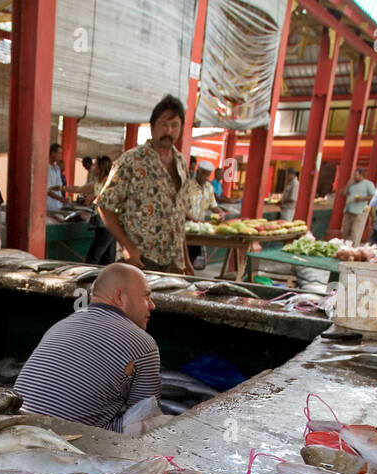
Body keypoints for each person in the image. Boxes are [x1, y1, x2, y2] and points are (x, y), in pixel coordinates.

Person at [13, 263, 160, 432]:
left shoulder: (61, 324)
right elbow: (147, 413)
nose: (152, 305)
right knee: (158, 423)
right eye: (146, 297)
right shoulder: (144, 343)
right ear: (119, 297)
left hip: (16, 429)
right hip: (65, 442)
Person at [96, 94, 191, 273]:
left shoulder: (181, 163)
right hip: (140, 258)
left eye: (174, 125)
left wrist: (185, 259)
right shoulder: (132, 160)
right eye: (163, 124)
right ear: (153, 126)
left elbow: (179, 214)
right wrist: (127, 246)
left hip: (173, 261)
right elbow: (104, 206)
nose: (168, 131)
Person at [184, 160, 221, 270]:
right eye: (203, 174)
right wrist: (194, 220)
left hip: (200, 228)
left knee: (195, 258)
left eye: (207, 175)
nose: (205, 177)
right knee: (185, 256)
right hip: (186, 227)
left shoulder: (209, 187)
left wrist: (220, 213)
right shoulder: (187, 186)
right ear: (198, 171)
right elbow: (182, 208)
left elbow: (213, 205)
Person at [340, 168, 375, 244]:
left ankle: (353, 247)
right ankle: (343, 246)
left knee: (354, 232)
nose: (354, 177)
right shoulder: (352, 184)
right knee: (345, 232)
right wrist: (348, 185)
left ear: (361, 175)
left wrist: (362, 198)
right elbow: (342, 193)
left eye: (356, 175)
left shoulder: (368, 184)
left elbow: (373, 196)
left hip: (359, 211)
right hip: (348, 210)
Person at [46, 143, 66, 214]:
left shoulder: (57, 168)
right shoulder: (45, 168)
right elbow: (47, 190)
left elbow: (59, 187)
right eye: (59, 153)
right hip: (48, 206)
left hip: (58, 206)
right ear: (52, 153)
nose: (61, 156)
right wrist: (61, 199)